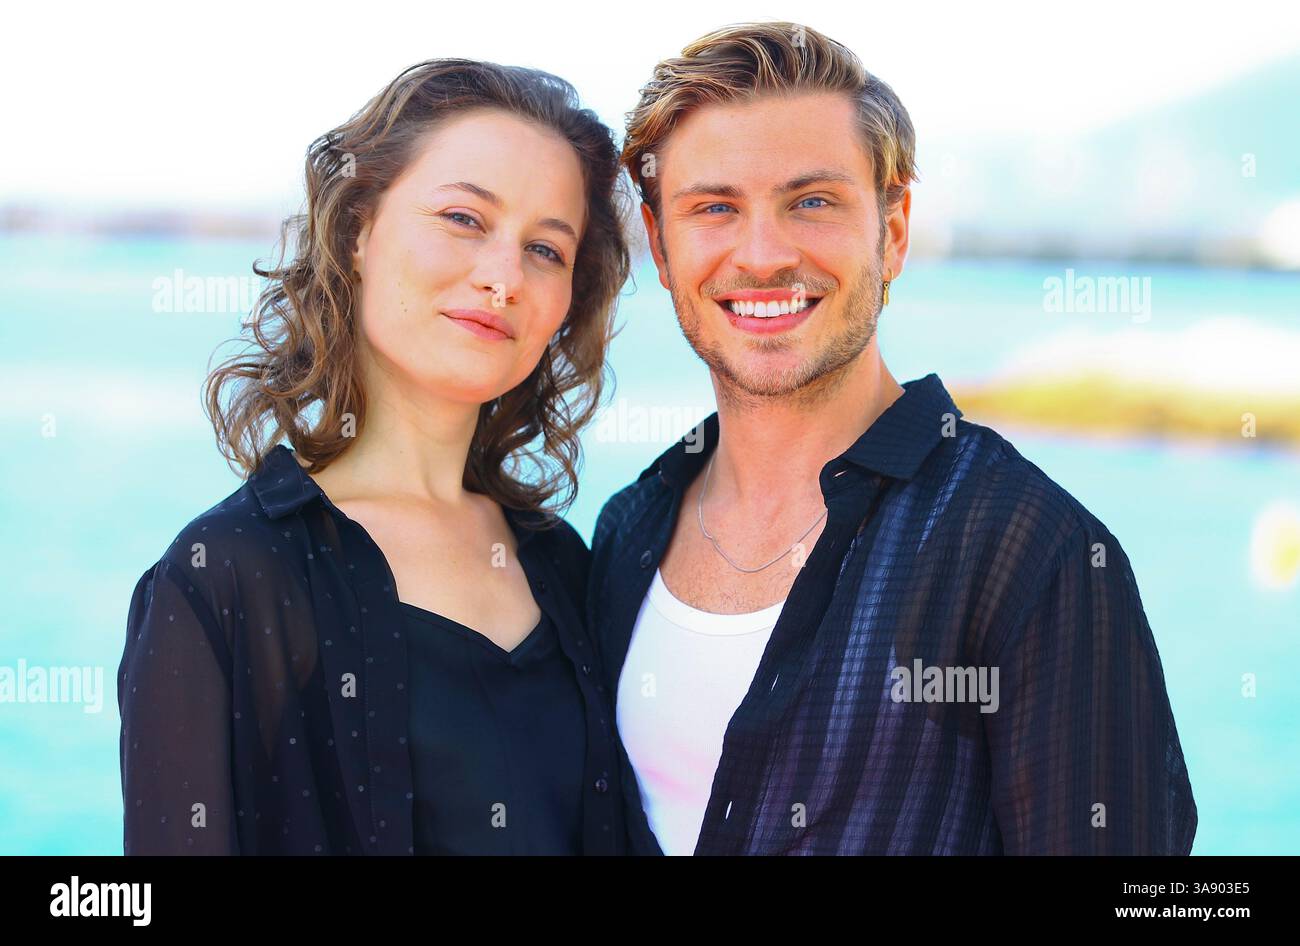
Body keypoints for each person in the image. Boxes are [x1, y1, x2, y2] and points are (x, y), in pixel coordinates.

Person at [589, 21, 1197, 855]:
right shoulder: (627, 530)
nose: (763, 255)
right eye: (715, 208)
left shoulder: (1033, 555)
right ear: (660, 246)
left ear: (895, 227)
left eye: (812, 202)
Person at [118, 58, 632, 855]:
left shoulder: (563, 566)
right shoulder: (227, 576)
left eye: (546, 250)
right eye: (465, 219)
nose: (503, 276)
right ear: (359, 228)